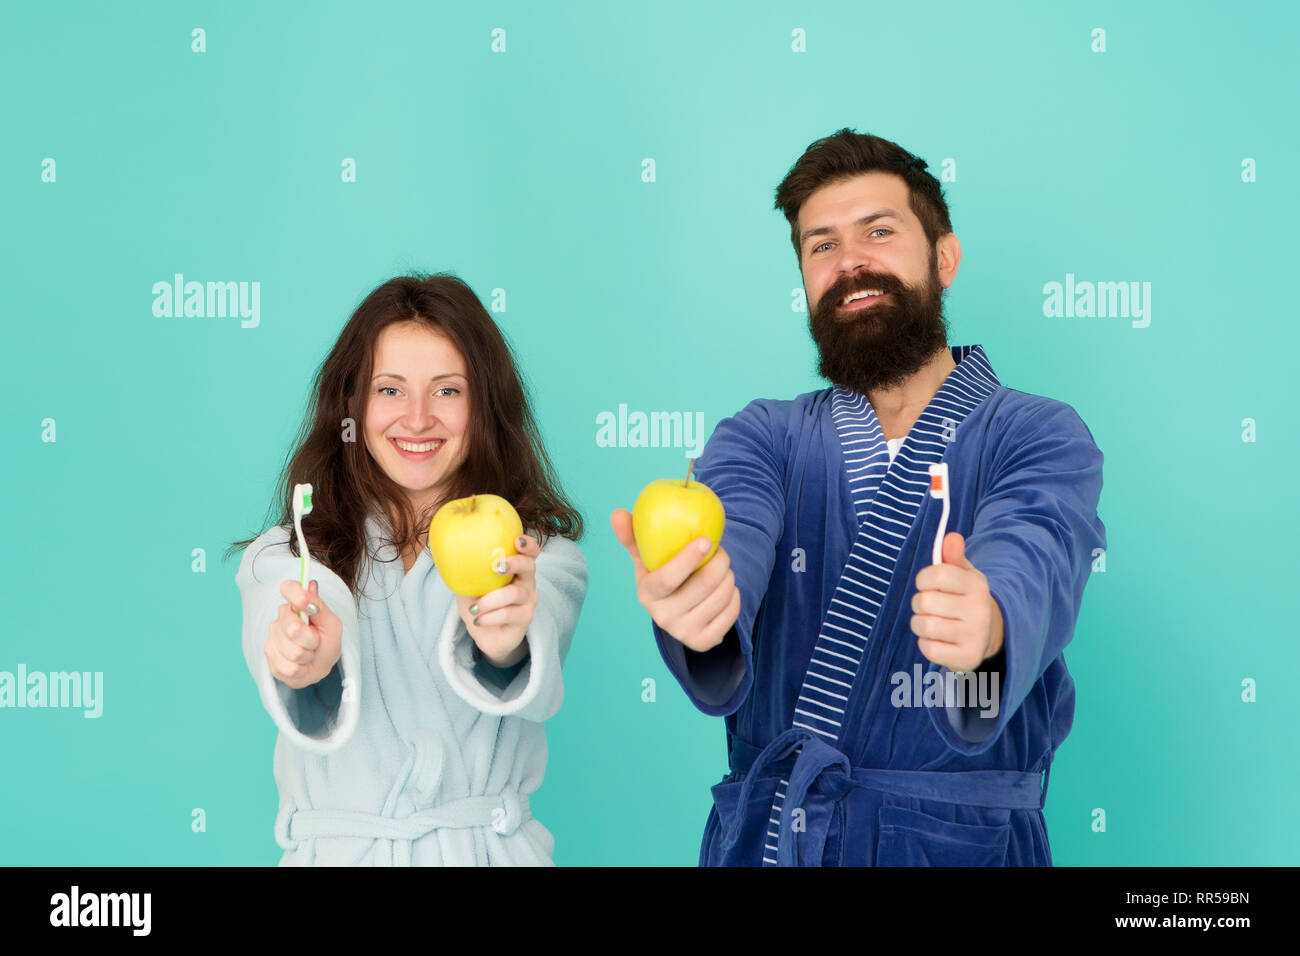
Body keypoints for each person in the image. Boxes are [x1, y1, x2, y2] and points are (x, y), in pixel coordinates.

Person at [611, 129, 1106, 866]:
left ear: (944, 258)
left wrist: (991, 620)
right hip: (777, 841)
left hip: (957, 848)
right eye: (822, 246)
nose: (850, 264)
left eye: (879, 231)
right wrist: (705, 605)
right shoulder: (763, 437)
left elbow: (1035, 546)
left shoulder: (1036, 434)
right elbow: (733, 531)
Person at [230, 273, 587, 865]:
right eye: (389, 390)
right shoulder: (288, 555)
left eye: (447, 391)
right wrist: (307, 658)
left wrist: (505, 642)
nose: (417, 419)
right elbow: (297, 604)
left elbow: (530, 647)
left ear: (485, 404)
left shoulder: (538, 558)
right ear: (351, 403)